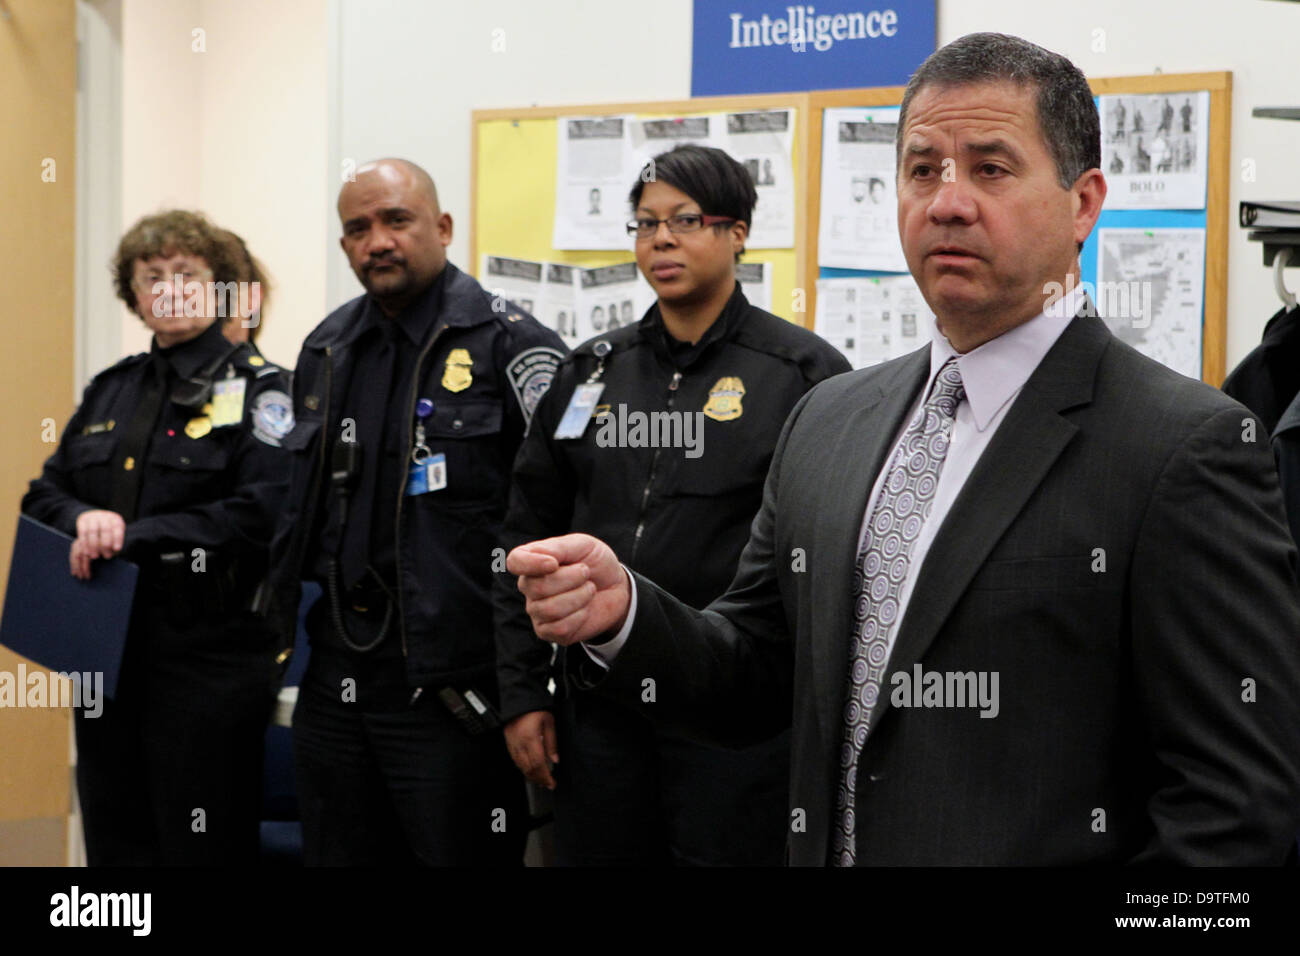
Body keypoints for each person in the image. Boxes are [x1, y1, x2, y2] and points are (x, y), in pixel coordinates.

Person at [507, 33, 1300, 866]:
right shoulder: (829, 419)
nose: (947, 202)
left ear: (1084, 202)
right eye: (923, 169)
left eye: (990, 168)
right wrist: (628, 615)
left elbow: (1234, 806)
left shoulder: (1184, 448)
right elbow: (758, 675)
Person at [495, 144, 850, 866]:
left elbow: (829, 563)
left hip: (733, 718)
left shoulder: (806, 376)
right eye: (645, 223)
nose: (660, 239)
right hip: (599, 709)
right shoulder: (590, 370)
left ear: (738, 233)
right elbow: (526, 532)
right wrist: (522, 690)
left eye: (685, 220)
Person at [266, 158, 565, 866]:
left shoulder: (514, 346)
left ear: (442, 227)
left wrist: (526, 690)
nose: (377, 241)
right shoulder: (326, 348)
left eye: (396, 220)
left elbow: (552, 530)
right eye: (357, 228)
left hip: (453, 688)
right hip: (337, 678)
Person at [22, 210, 293, 865]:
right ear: (135, 297)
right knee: (115, 842)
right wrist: (82, 521)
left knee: (198, 845)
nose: (169, 288)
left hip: (207, 662)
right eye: (152, 276)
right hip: (104, 653)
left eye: (187, 273)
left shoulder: (266, 392)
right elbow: (43, 494)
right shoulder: (111, 389)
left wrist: (131, 536)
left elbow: (259, 514)